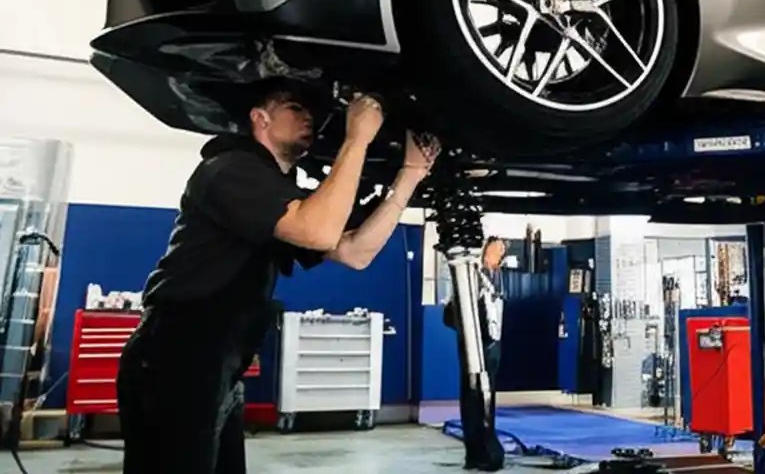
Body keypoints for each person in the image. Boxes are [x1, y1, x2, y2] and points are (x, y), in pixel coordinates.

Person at [115, 78, 440, 474]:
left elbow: (355, 251)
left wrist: (409, 176)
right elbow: (317, 230)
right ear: (260, 118)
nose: (309, 117)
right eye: (294, 108)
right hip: (176, 359)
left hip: (217, 365)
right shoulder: (229, 168)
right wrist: (356, 140)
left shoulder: (278, 191)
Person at [446, 235, 507, 471]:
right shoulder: (475, 277)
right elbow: (453, 314)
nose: (498, 254)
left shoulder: (498, 279)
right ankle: (478, 451)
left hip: (492, 345)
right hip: (474, 347)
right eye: (495, 249)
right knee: (474, 398)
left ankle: (485, 447)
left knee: (487, 399)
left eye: (501, 250)